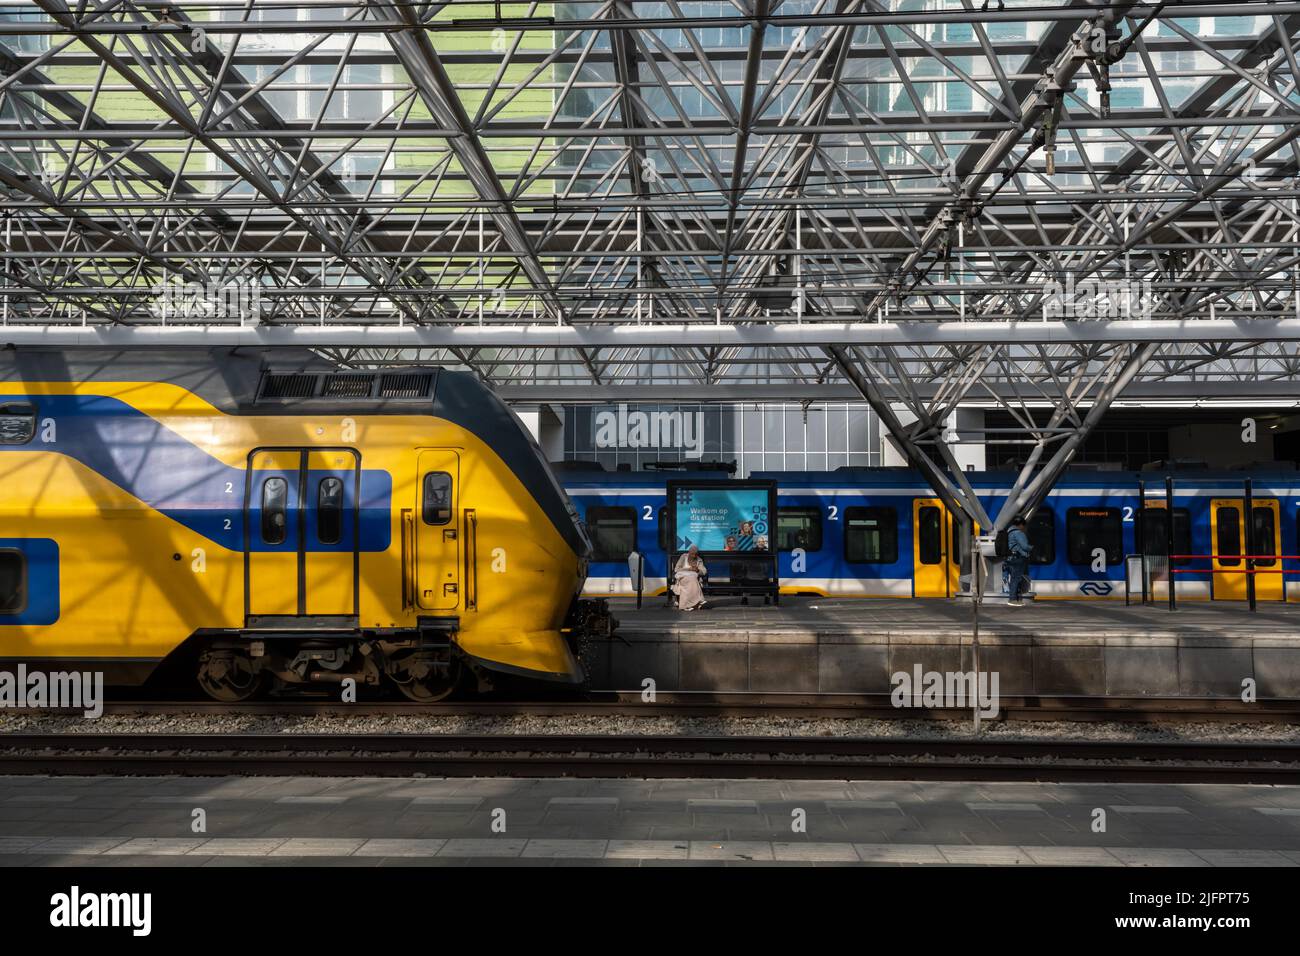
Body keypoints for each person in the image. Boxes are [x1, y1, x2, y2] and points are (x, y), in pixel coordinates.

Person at [1006, 516, 1032, 607]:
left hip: (1011, 557)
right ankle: (1012, 599)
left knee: (1014, 578)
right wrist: (1031, 547)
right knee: (1016, 578)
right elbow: (1024, 546)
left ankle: (1016, 598)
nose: (1023, 528)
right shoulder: (1018, 533)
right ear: (1021, 525)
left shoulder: (1009, 532)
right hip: (1018, 557)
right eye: (1023, 526)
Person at [672, 545, 708, 611]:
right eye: (692, 554)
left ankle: (686, 606)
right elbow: (676, 569)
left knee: (692, 580)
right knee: (692, 580)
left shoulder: (699, 560)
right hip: (682, 577)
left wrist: (698, 570)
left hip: (692, 579)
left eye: (695, 554)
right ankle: (700, 599)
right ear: (689, 552)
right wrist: (689, 569)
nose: (694, 556)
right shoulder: (684, 557)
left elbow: (704, 571)